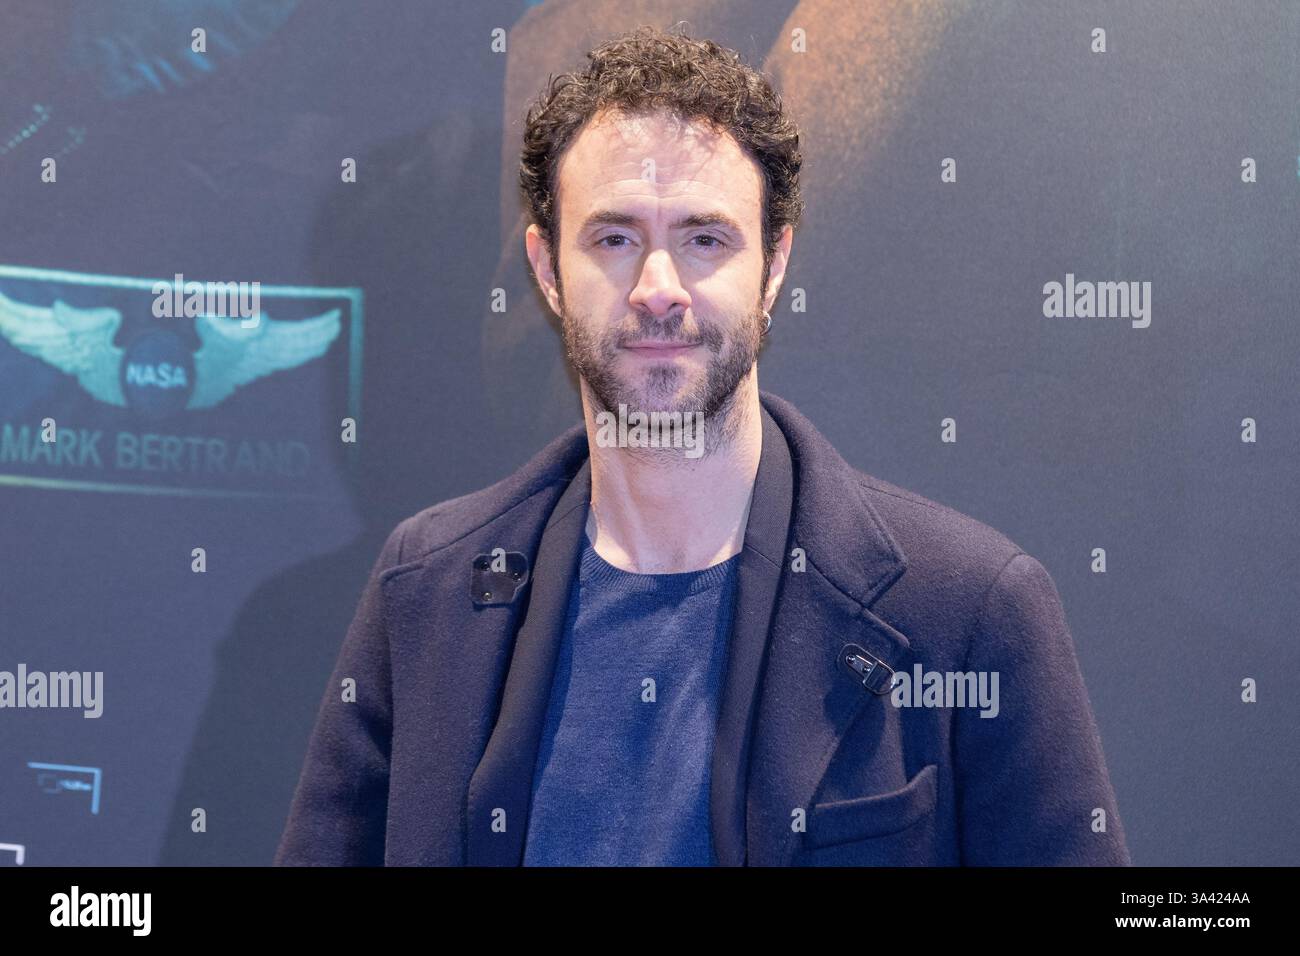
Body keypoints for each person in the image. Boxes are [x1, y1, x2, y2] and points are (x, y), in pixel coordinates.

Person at [275, 24, 1130, 866]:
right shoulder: (423, 594)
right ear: (544, 270)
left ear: (775, 265)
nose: (658, 289)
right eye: (614, 239)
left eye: (705, 239)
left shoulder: (969, 610)